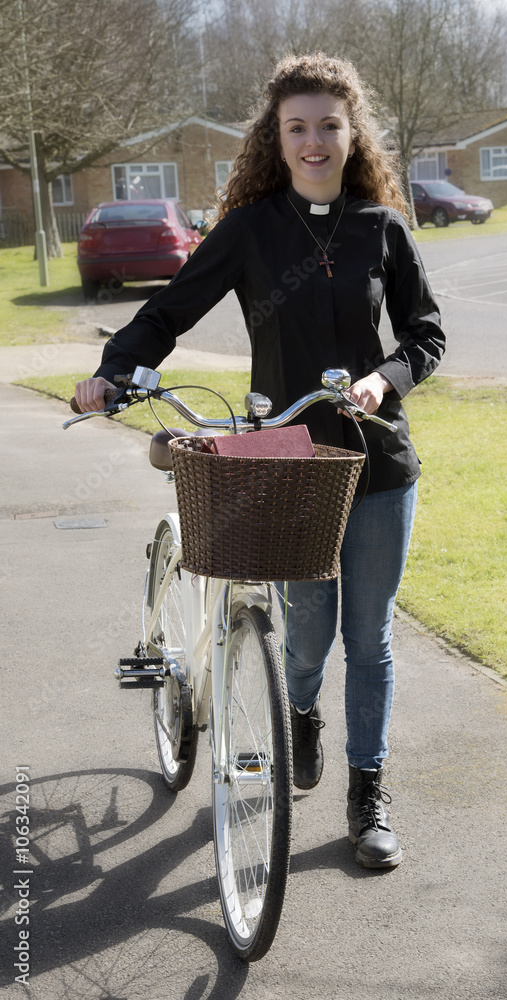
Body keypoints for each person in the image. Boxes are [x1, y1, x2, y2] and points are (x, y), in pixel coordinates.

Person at [75, 52, 445, 870]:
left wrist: (386, 382)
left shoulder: (382, 229)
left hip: (380, 465)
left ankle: (368, 791)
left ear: (353, 136)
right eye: (297, 128)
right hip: (287, 461)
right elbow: (169, 310)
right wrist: (108, 374)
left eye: (329, 127)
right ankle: (301, 713)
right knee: (307, 634)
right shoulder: (249, 230)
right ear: (276, 141)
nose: (314, 141)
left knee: (372, 640)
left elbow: (427, 335)